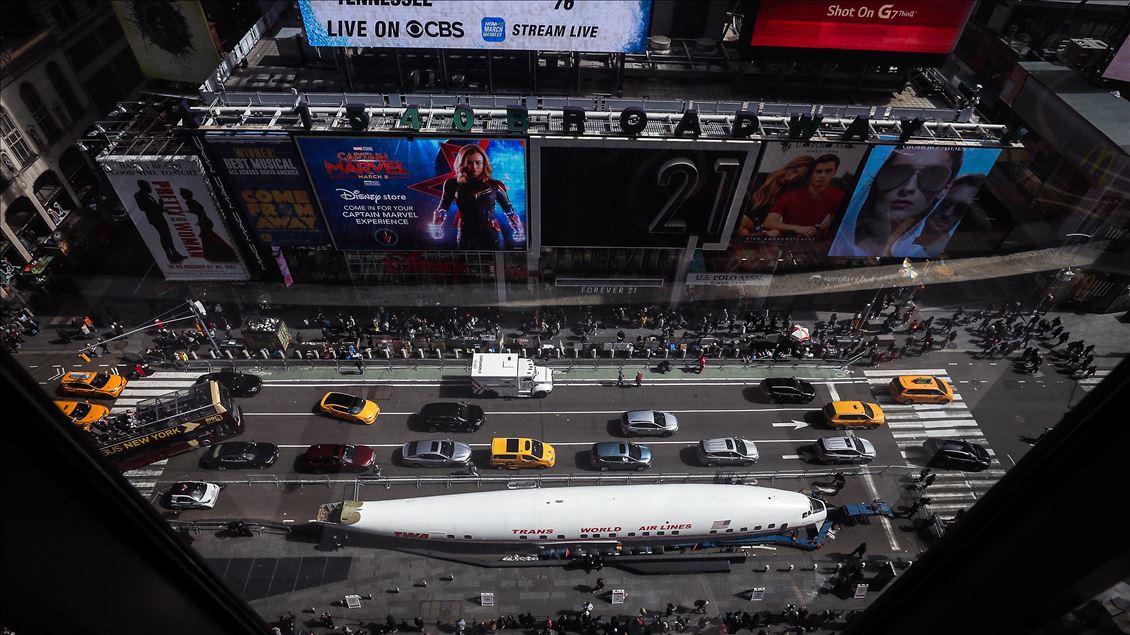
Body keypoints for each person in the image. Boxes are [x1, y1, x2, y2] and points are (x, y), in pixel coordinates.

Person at [830, 147, 963, 257]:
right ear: (880, 175)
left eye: (932, 176)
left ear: (947, 186)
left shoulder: (920, 256)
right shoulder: (833, 239)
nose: (908, 187)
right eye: (899, 172)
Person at [432, 144, 523, 250]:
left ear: (484, 163)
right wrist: (437, 226)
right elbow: (443, 206)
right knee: (467, 264)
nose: (474, 167)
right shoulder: (452, 184)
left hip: (491, 232)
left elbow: (509, 210)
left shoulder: (495, 185)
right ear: (462, 163)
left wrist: (518, 230)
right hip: (466, 232)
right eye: (469, 163)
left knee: (496, 263)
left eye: (478, 163)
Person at [897, 174, 984, 257]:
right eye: (945, 204)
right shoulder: (899, 226)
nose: (947, 214)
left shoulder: (954, 251)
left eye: (960, 208)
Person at [762, 154, 847, 238]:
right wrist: (797, 229)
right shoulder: (790, 195)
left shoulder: (838, 195)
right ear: (810, 174)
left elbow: (842, 222)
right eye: (818, 171)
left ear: (835, 172)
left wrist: (819, 229)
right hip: (789, 238)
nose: (823, 175)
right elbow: (768, 222)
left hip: (817, 241)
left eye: (828, 171)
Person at [739, 155, 815, 238]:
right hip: (743, 220)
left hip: (758, 226)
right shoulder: (761, 179)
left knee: (775, 232)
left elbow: (771, 221)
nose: (792, 177)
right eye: (794, 171)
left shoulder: (789, 193)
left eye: (798, 177)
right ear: (790, 166)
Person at [180, 188, 239, 262]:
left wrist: (200, 220)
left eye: (182, 195)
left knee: (209, 237)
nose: (182, 196)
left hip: (204, 222)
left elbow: (200, 210)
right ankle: (220, 254)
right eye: (182, 195)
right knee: (208, 237)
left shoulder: (190, 202)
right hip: (204, 221)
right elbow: (198, 210)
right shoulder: (190, 202)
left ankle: (222, 254)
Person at [134, 180, 185, 262]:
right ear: (143, 187)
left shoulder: (147, 196)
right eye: (148, 186)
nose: (150, 188)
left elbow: (155, 208)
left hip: (158, 218)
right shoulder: (140, 196)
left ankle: (173, 254)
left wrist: (163, 208)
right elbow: (148, 208)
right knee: (165, 235)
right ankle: (171, 255)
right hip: (156, 219)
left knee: (166, 235)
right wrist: (161, 204)